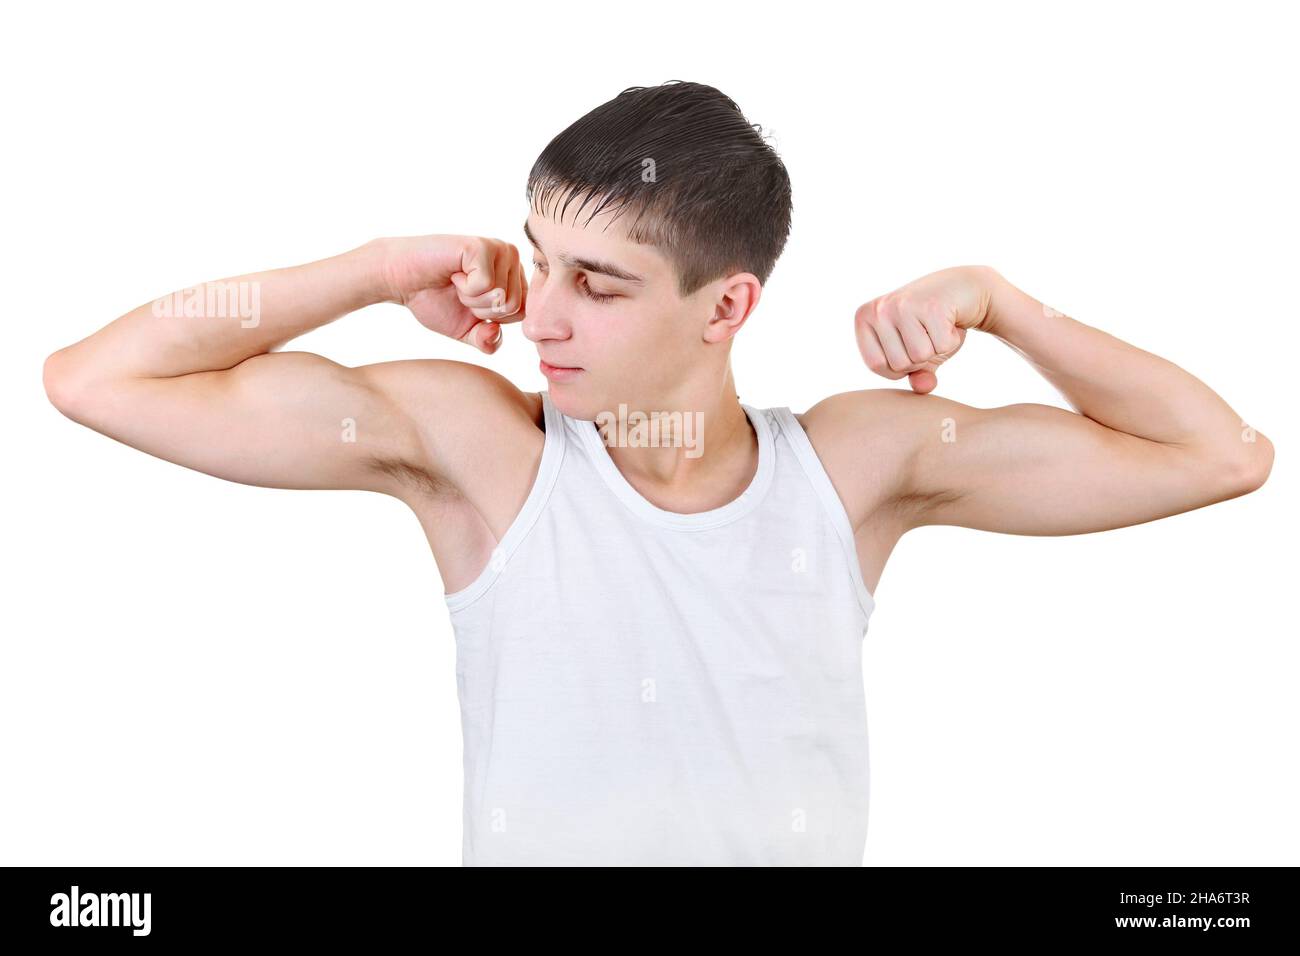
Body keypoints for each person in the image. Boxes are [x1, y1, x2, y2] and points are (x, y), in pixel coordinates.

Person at [42, 81, 1273, 866]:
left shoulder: (855, 467)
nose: (541, 315)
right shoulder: (485, 454)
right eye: (540, 259)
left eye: (600, 282)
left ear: (726, 304)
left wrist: (1001, 304)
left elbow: (1217, 454)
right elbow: (98, 380)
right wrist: (373, 267)